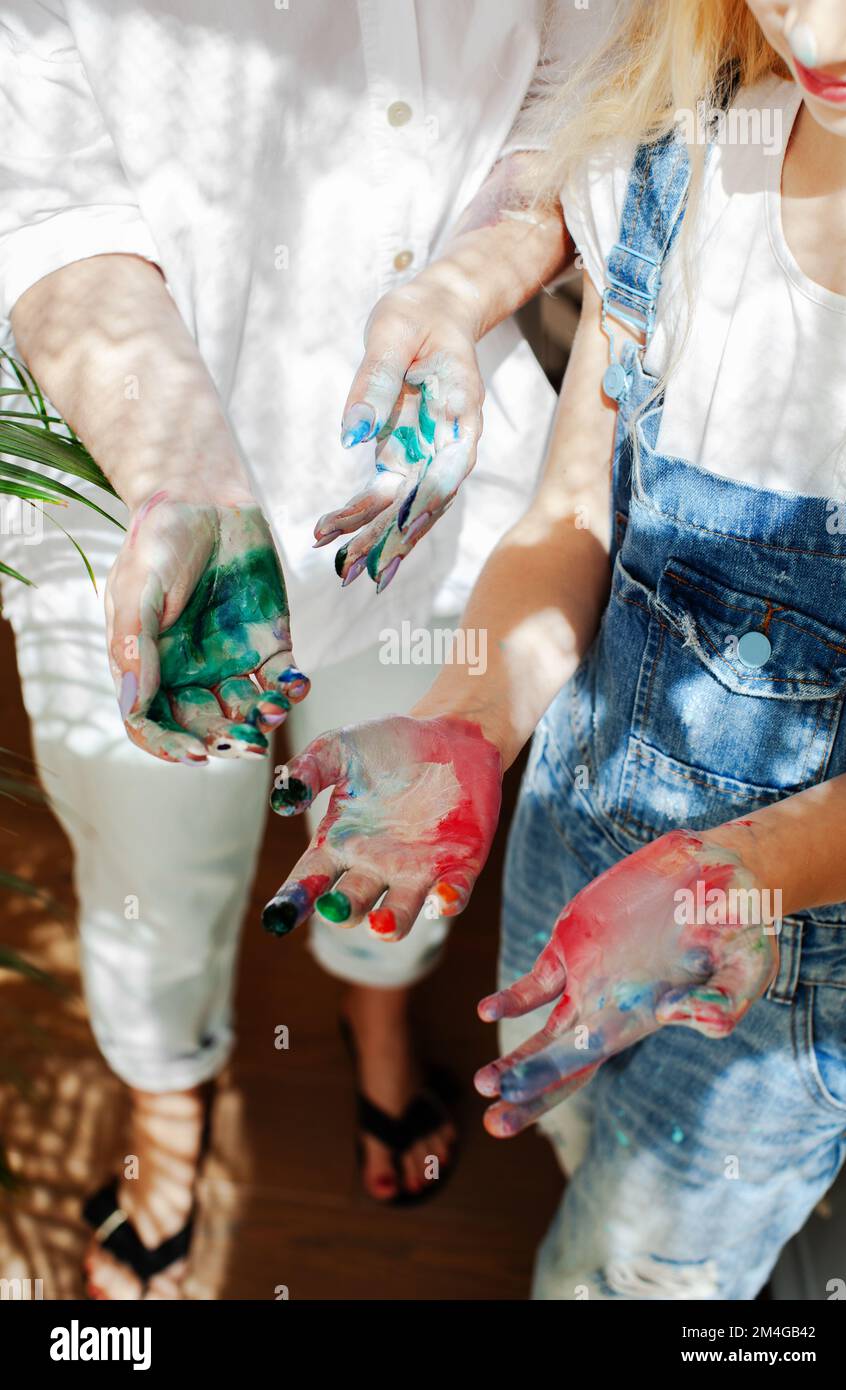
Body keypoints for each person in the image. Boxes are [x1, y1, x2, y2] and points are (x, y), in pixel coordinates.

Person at [0, 0, 615, 1297]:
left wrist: (456, 291)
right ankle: (171, 1100)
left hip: (430, 485)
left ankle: (374, 1003)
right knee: (151, 858)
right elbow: (41, 197)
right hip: (129, 491)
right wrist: (180, 471)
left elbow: (580, 115)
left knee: (400, 812)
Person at [269, 0, 846, 1299]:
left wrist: (735, 876)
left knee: (642, 1263)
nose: (812, 24)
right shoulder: (681, 157)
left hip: (787, 973)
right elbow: (568, 517)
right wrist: (469, 722)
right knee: (569, 1125)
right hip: (576, 845)